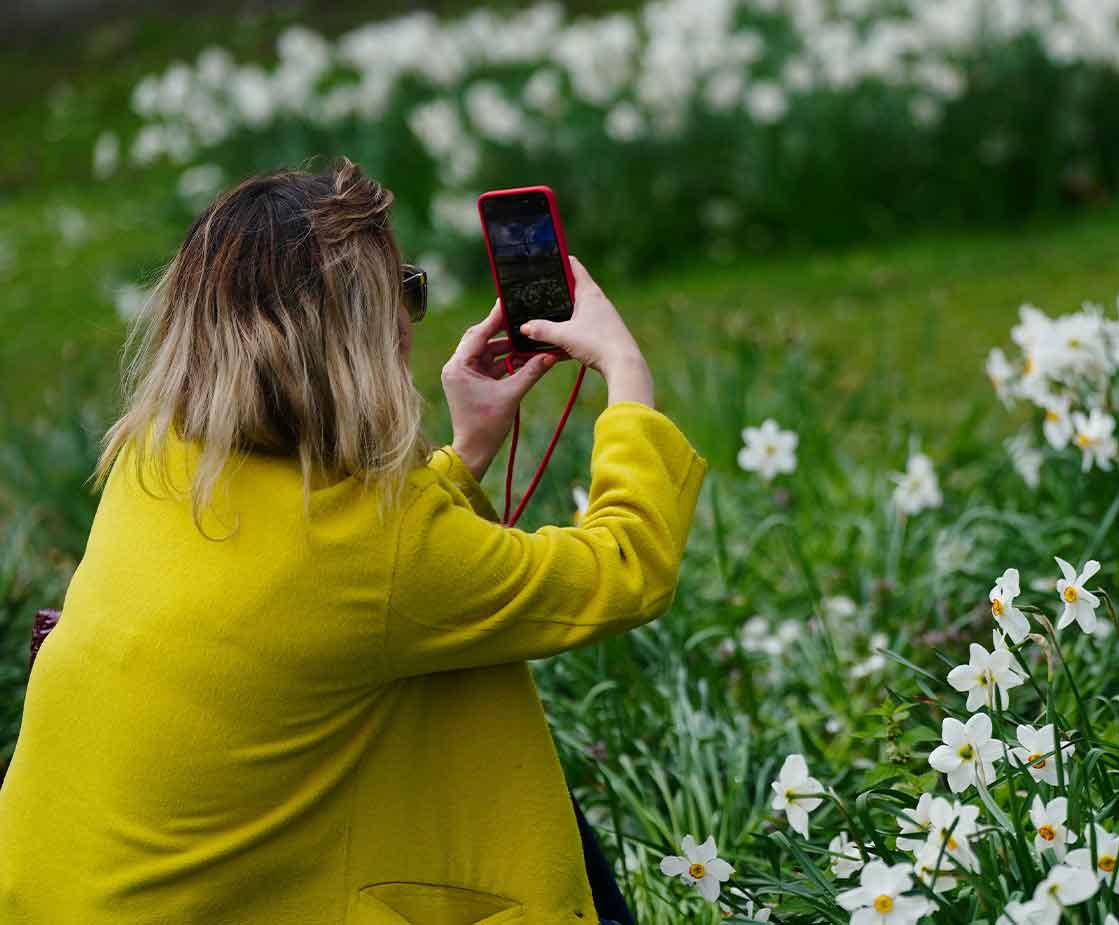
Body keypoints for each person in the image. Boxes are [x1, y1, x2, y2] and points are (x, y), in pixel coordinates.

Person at [0, 158, 707, 923]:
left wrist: (467, 451)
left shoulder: (158, 459)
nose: (411, 317)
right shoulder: (381, 554)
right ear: (359, 335)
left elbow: (346, 583)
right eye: (402, 294)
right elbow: (624, 568)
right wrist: (626, 372)